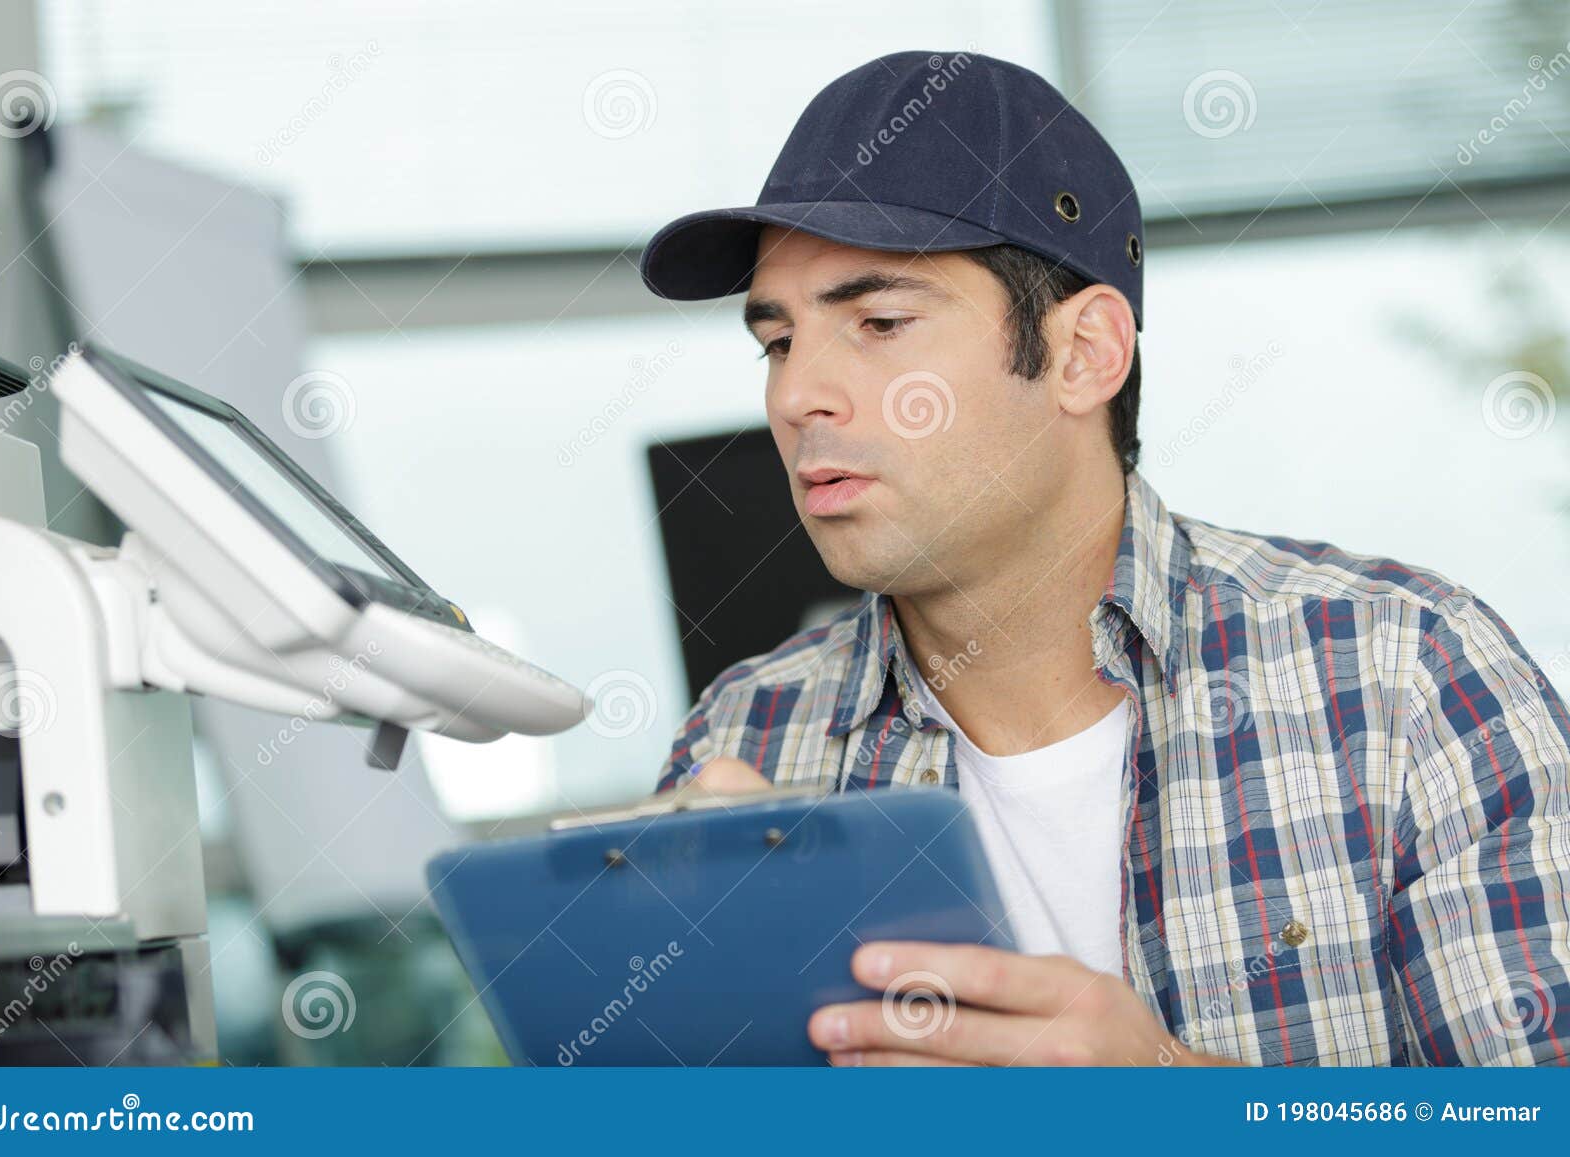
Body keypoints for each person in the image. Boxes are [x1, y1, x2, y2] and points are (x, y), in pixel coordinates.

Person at [637, 50, 1570, 1066]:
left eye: (880, 323)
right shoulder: (744, 734)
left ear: (1085, 354)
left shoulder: (1402, 675)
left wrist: (1174, 1102)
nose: (794, 396)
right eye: (777, 342)